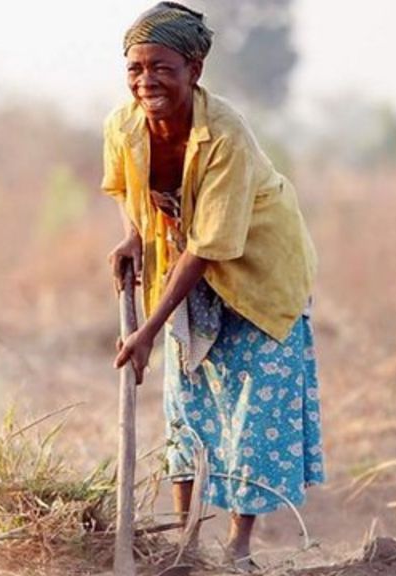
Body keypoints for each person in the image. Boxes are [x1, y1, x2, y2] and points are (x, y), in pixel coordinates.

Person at [103, 2, 326, 572]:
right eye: (135, 68)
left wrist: (149, 330)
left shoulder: (225, 134)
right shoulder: (122, 125)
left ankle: (237, 549)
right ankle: (186, 544)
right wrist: (134, 235)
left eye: (162, 68)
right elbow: (128, 188)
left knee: (252, 413)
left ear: (194, 70)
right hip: (186, 261)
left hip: (256, 269)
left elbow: (209, 246)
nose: (146, 81)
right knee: (188, 403)